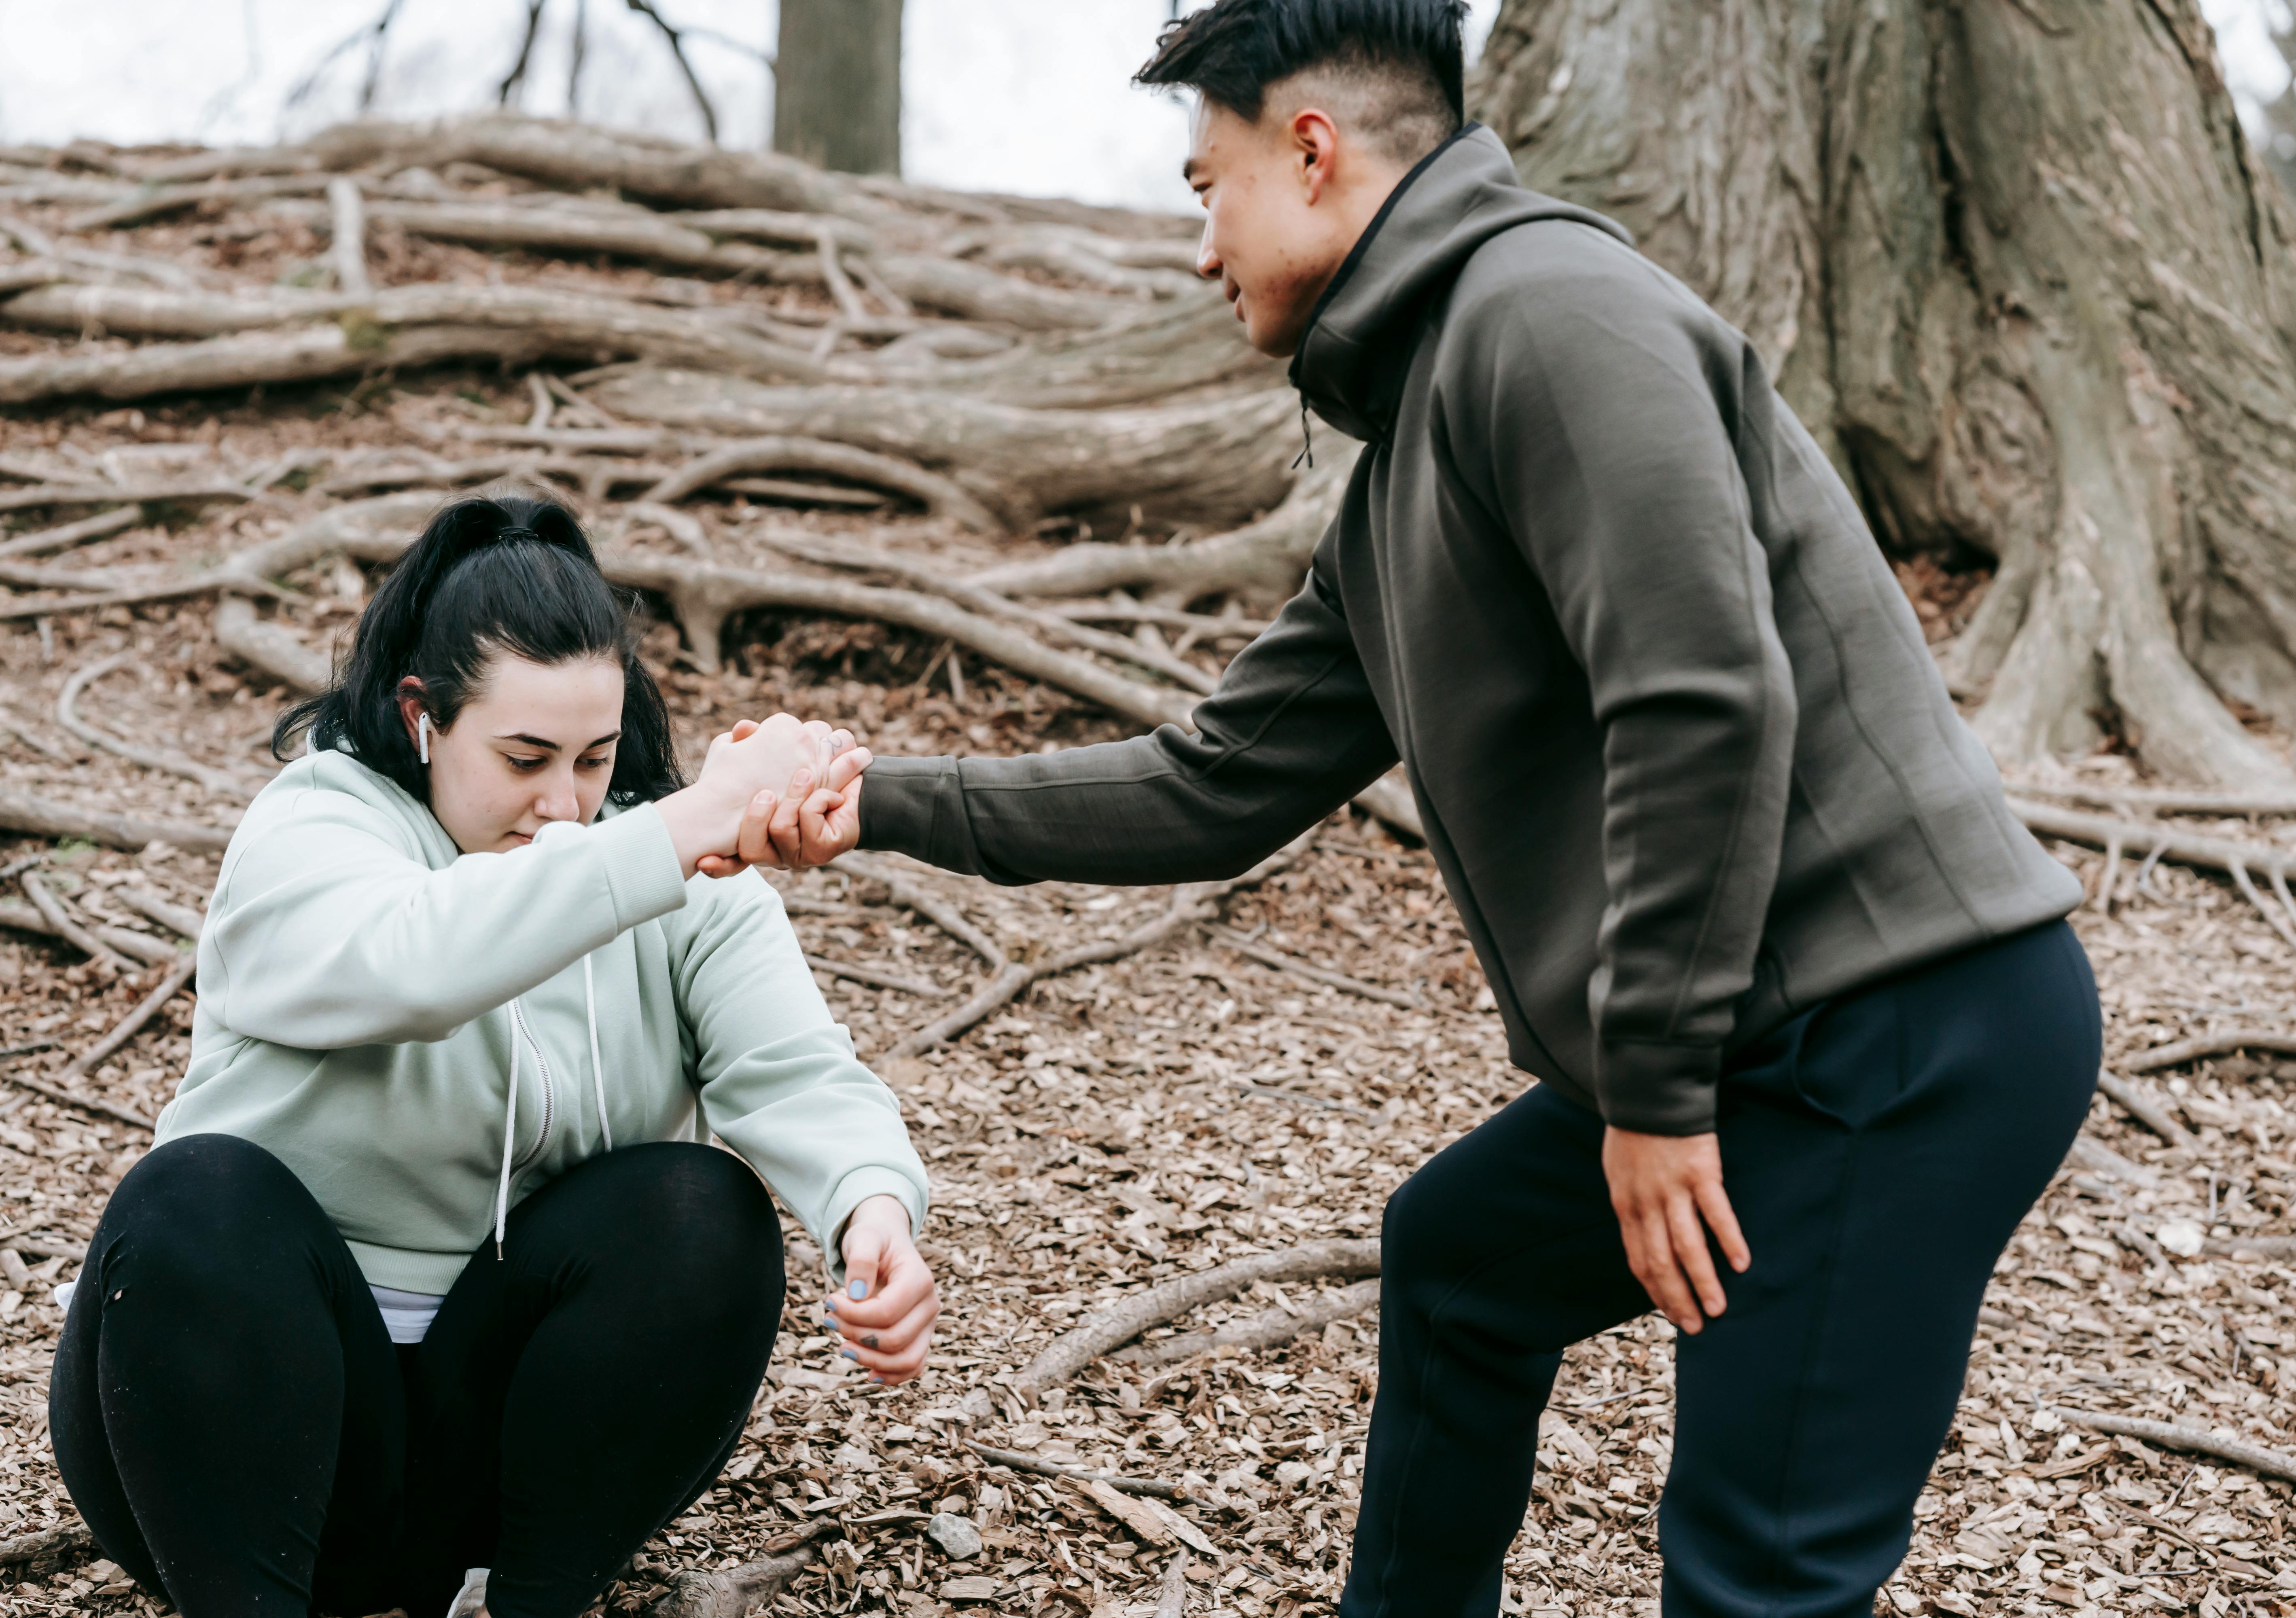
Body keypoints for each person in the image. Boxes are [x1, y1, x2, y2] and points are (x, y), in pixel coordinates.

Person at [742, 3, 2102, 1616]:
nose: (1200, 251)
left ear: (1311, 151)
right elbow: (1214, 781)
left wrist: (1653, 1098)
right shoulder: (1410, 468)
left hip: (1893, 1040)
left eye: (1206, 188)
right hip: (1762, 1034)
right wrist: (874, 798)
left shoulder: (1554, 315)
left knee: (1760, 1572)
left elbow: (1702, 694)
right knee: (1463, 1262)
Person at [49, 496, 933, 1618]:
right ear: (423, 718)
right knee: (194, 1192)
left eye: (596, 759)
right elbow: (414, 966)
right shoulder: (315, 829)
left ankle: (525, 1601)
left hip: (486, 1439)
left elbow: (797, 1069)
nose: (564, 806)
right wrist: (679, 824)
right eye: (523, 758)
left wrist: (872, 1212)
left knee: (699, 1204)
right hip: (233, 1433)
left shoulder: (673, 865)